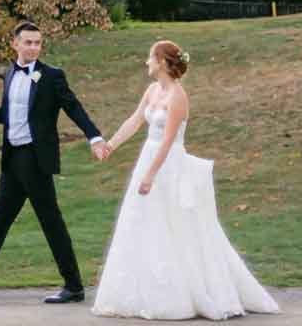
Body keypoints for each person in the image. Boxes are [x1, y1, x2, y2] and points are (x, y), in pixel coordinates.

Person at [92, 39, 278, 320]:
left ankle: (182, 293)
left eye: (150, 58)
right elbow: (134, 121)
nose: (146, 63)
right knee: (142, 222)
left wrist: (150, 175)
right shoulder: (152, 90)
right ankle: (141, 291)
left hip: (168, 166)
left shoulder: (178, 96)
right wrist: (111, 145)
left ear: (163, 63)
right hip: (149, 158)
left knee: (175, 225)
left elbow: (168, 141)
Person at [0, 20, 109, 305]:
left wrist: (93, 136)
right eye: (28, 42)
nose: (34, 47)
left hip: (36, 160)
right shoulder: (9, 73)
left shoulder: (52, 76)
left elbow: (73, 107)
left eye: (38, 43)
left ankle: (74, 286)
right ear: (15, 44)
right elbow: (9, 115)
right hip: (12, 159)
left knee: (51, 222)